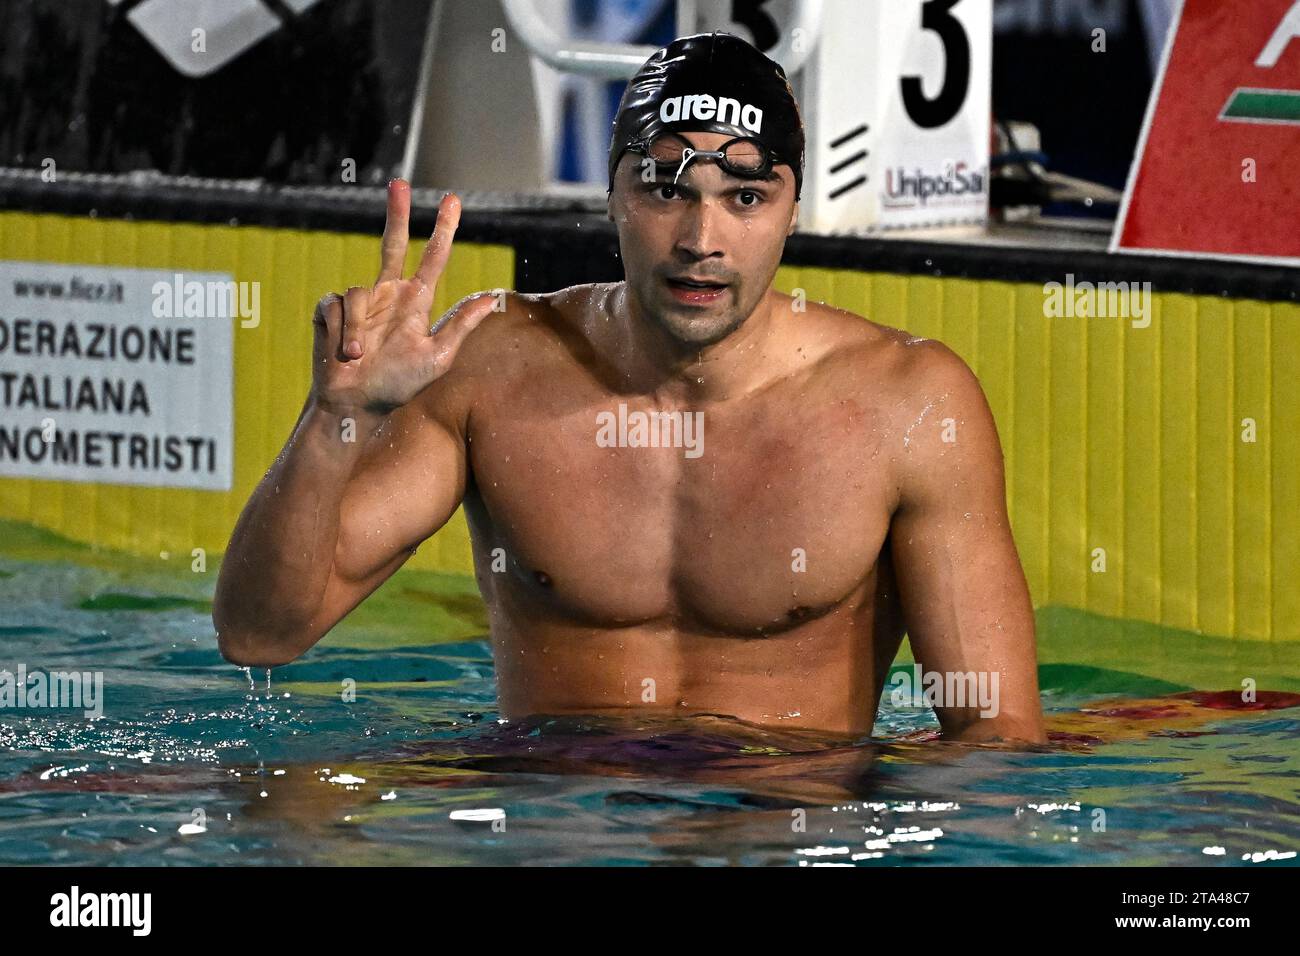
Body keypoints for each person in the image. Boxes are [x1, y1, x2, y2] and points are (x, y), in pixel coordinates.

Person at [214, 32, 1046, 745]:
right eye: (665, 189)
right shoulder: (490, 366)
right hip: (554, 817)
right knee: (282, 793)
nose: (701, 239)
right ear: (611, 193)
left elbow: (995, 737)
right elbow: (260, 634)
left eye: (745, 197)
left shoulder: (910, 403)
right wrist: (336, 419)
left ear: (794, 208)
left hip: (787, 824)